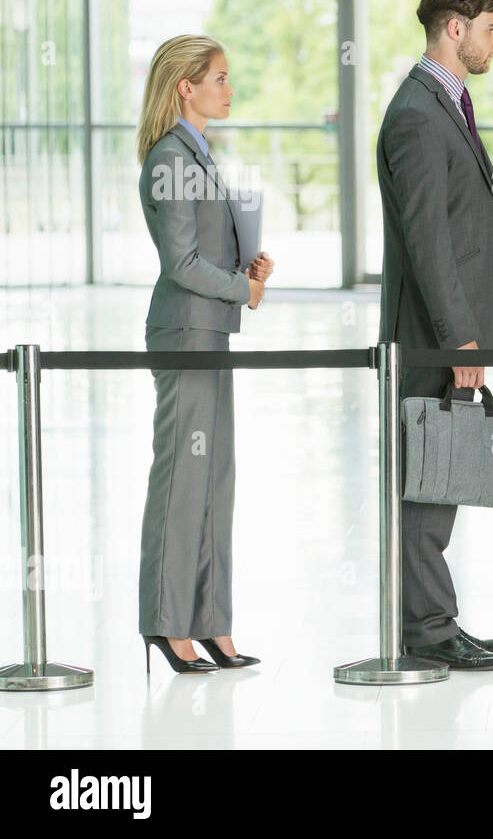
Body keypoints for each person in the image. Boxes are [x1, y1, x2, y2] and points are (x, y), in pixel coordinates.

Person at [376, 0, 493, 670]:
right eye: (490, 27)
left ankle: (434, 619)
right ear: (453, 28)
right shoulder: (416, 114)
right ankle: (427, 630)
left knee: (442, 480)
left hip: (450, 334)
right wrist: (460, 335)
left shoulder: (443, 105)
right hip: (432, 338)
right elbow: (428, 239)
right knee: (426, 486)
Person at [136, 34, 273, 674]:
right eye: (220, 77)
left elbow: (206, 252)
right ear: (185, 86)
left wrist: (248, 268)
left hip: (210, 331)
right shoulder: (170, 156)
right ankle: (166, 625)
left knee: (217, 478)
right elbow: (181, 263)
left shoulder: (199, 153)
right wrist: (239, 287)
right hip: (186, 333)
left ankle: (213, 622)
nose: (229, 87)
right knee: (183, 480)